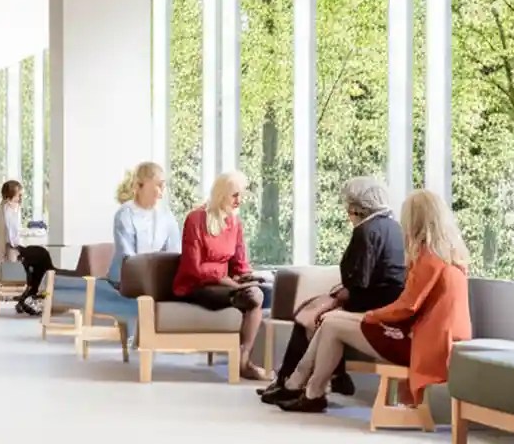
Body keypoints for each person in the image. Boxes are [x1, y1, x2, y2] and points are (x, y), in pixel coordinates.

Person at [276, 189, 472, 413]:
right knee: (331, 320)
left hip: (424, 344)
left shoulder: (430, 258)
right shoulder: (447, 256)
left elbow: (407, 306)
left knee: (331, 324)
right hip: (431, 338)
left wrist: (371, 316)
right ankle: (301, 386)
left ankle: (308, 390)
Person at [259, 177, 406, 403]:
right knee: (311, 311)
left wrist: (338, 297)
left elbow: (359, 281)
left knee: (308, 317)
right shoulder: (394, 227)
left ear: (357, 206)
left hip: (371, 302)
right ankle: (321, 377)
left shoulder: (365, 231)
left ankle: (292, 381)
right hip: (385, 300)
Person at [51, 162, 181, 335]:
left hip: (154, 275)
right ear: (139, 186)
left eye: (163, 185)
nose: (161, 192)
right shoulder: (125, 214)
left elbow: (174, 253)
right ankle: (141, 333)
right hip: (126, 275)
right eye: (157, 185)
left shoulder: (167, 216)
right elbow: (129, 257)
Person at [172, 171, 271, 381]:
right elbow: (193, 267)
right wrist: (224, 278)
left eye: (241, 195)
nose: (239, 200)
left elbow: (239, 262)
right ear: (221, 193)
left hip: (224, 284)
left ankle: (244, 358)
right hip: (197, 285)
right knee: (253, 297)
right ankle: (244, 364)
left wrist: (246, 277)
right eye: (235, 195)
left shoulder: (234, 222)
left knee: (265, 292)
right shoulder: (196, 219)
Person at [0, 180, 23, 263]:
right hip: (9, 243)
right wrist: (15, 243)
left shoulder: (13, 207)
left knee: (9, 264)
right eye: (18, 195)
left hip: (11, 243)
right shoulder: (6, 208)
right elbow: (10, 227)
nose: (19, 197)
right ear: (10, 195)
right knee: (9, 265)